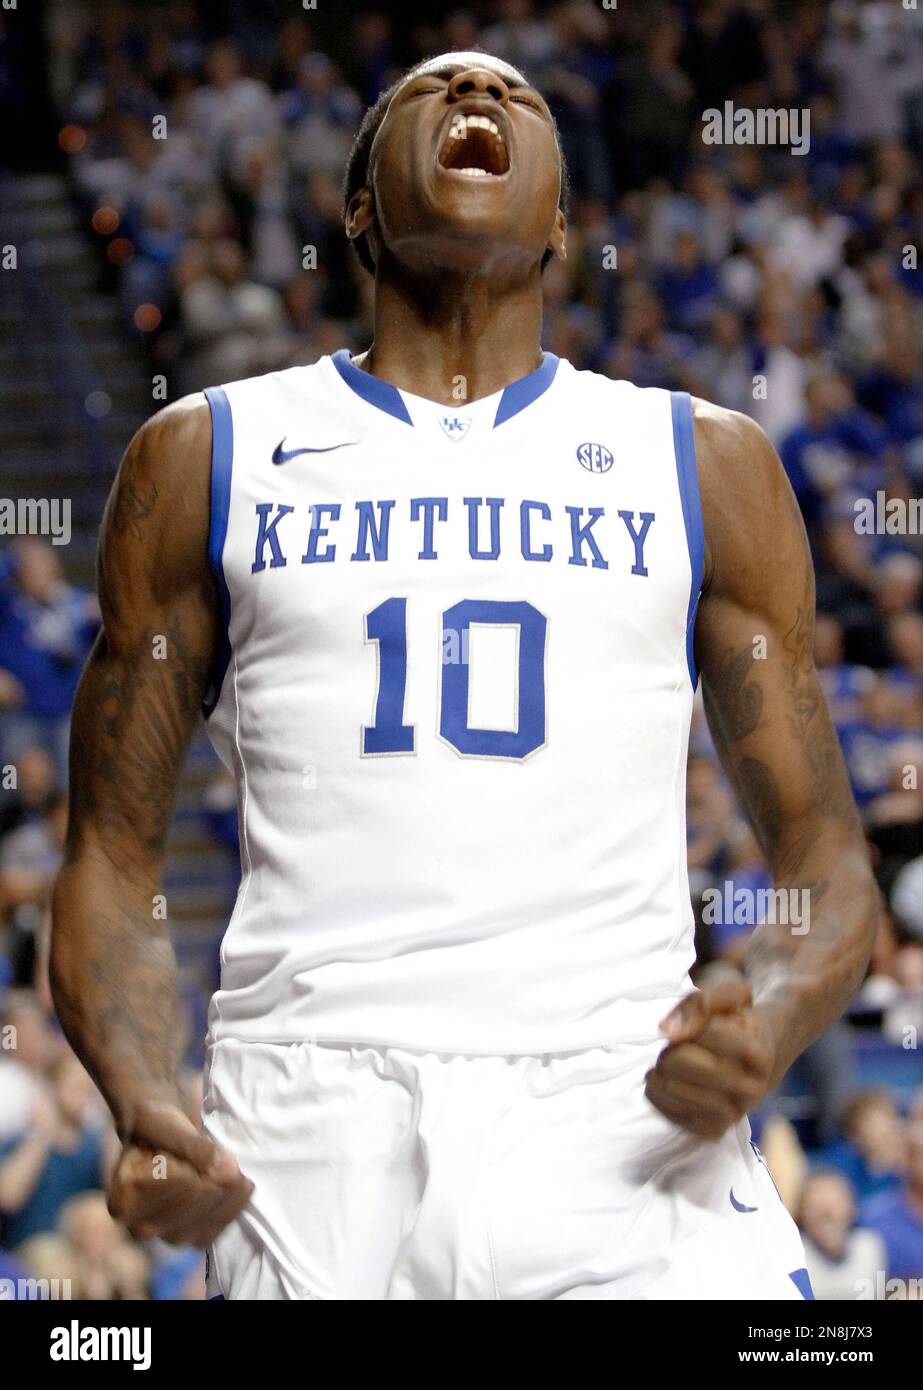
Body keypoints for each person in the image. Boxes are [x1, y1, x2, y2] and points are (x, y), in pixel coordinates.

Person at [51, 53, 880, 1301]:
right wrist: (142, 1093)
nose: (477, 99)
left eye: (519, 96)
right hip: (309, 1122)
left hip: (625, 1098)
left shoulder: (700, 463)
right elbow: (111, 855)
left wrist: (762, 1013)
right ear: (357, 210)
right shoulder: (206, 455)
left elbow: (826, 858)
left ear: (558, 217)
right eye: (431, 92)